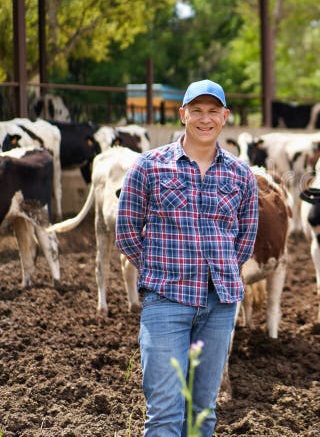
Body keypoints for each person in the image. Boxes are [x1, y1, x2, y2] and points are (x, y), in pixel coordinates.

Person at [116, 79, 259, 436]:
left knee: (203, 412)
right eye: (196, 110)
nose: (204, 119)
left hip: (219, 305)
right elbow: (127, 231)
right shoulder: (148, 167)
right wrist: (159, 272)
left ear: (225, 117)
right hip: (166, 303)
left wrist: (222, 273)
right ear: (183, 115)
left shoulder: (241, 174)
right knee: (165, 412)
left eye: (213, 111)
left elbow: (245, 237)